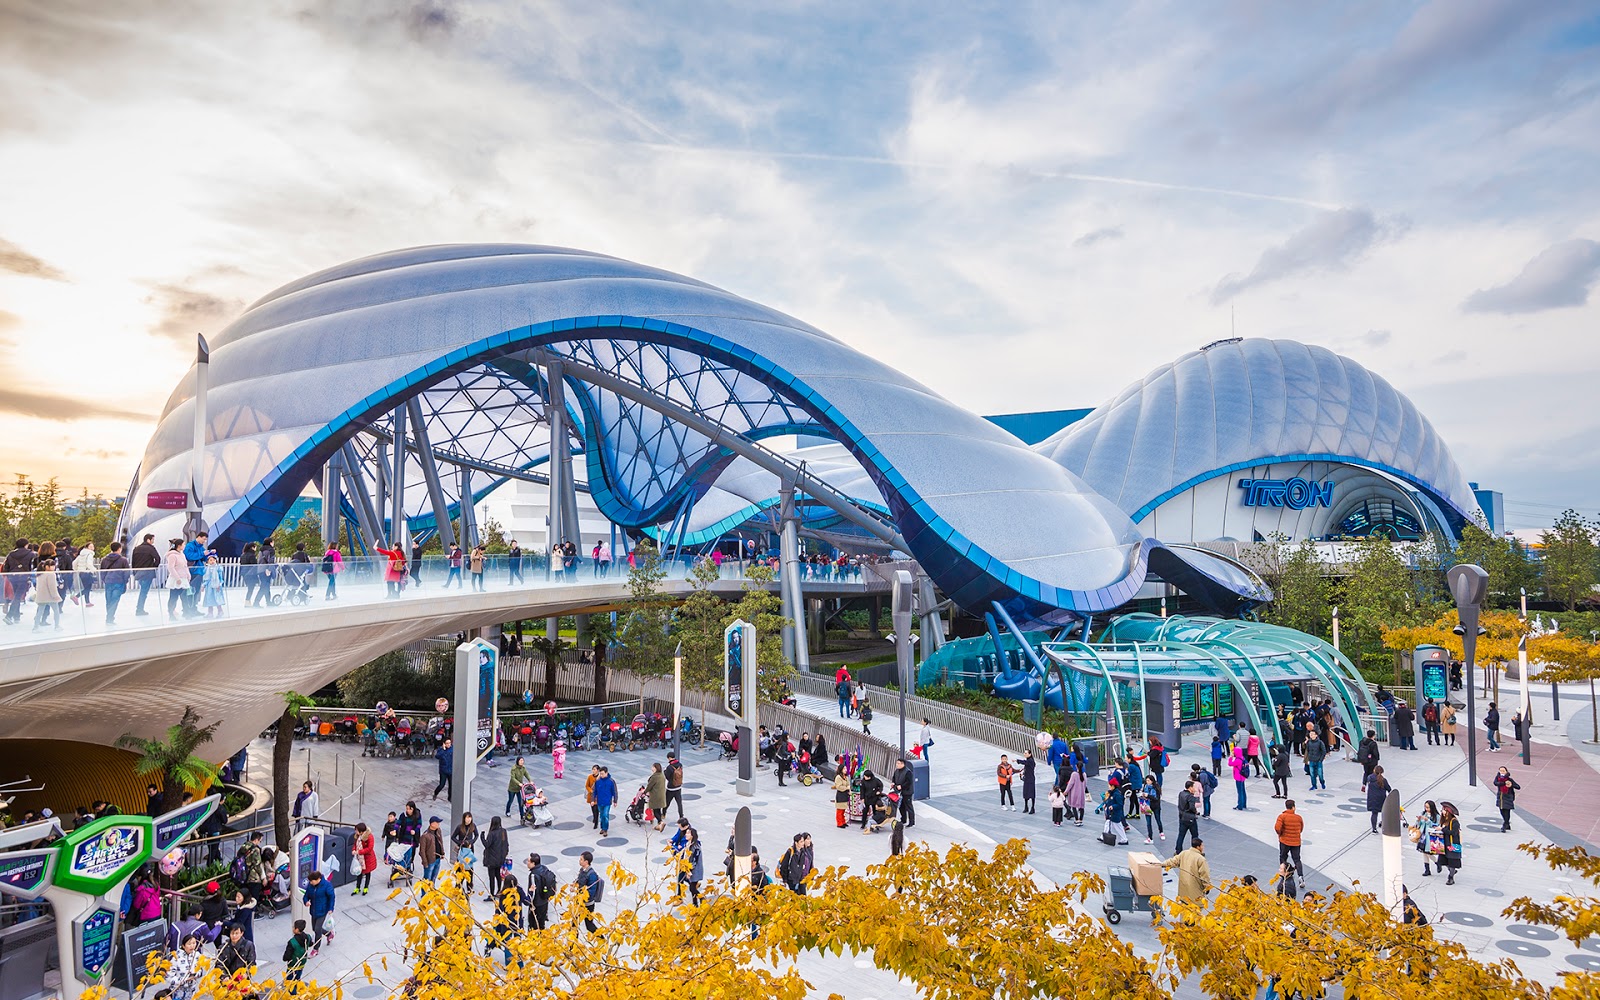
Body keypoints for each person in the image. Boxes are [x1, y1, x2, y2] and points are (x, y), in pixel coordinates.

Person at [99, 541, 131, 625]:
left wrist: (104, 579)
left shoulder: (104, 559)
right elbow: (127, 572)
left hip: (108, 582)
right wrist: (125, 581)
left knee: (109, 601)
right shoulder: (123, 560)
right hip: (119, 582)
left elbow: (102, 571)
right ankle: (109, 618)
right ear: (119, 549)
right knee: (114, 601)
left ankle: (109, 617)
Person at [165, 934, 204, 1000]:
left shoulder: (197, 955)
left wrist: (195, 975)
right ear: (183, 946)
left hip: (191, 991)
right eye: (189, 944)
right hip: (177, 992)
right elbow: (168, 977)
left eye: (194, 943)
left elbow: (201, 970)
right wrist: (184, 979)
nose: (192, 946)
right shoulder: (176, 958)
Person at [526, 852, 556, 930]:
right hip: (544, 901)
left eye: (528, 861)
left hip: (536, 904)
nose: (527, 863)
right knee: (541, 924)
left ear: (533, 863)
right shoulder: (544, 868)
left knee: (534, 925)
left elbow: (533, 891)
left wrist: (530, 902)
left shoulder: (533, 875)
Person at [305, 870, 335, 947]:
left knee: (317, 930)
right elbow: (306, 895)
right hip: (313, 910)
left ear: (318, 879)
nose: (310, 883)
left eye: (312, 881)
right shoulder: (311, 885)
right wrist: (306, 901)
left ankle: (316, 948)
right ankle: (329, 934)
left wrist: (331, 908)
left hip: (323, 910)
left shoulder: (327, 885)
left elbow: (331, 897)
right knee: (314, 928)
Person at [1274, 800, 1305, 877]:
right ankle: (1300, 876)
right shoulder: (1299, 818)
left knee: (1283, 857)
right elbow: (1301, 829)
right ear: (1293, 807)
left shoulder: (1282, 816)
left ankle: (1283, 873)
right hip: (1296, 842)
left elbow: (1277, 828)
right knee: (1297, 859)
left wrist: (1280, 834)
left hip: (1284, 841)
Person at [451, 812, 480, 893]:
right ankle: (458, 886)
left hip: (470, 849)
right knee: (460, 867)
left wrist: (471, 842)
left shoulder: (473, 826)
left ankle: (469, 886)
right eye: (467, 817)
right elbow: (453, 837)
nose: (468, 819)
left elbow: (476, 835)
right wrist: (460, 843)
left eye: (470, 817)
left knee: (469, 868)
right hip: (462, 850)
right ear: (464, 818)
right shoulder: (460, 827)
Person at [483, 815, 509, 897]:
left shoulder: (492, 833)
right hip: (500, 858)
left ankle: (492, 894)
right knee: (498, 875)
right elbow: (506, 844)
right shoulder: (503, 831)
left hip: (491, 859)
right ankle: (499, 890)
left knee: (491, 877)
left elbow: (487, 844)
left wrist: (482, 837)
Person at [575, 850, 602, 932]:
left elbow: (591, 891)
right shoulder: (582, 870)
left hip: (587, 904)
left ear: (586, 862)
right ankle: (573, 940)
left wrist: (582, 897)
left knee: (589, 926)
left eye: (581, 859)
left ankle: (601, 937)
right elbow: (579, 881)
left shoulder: (592, 874)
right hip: (579, 901)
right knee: (574, 924)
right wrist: (575, 885)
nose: (579, 861)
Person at [1414, 800, 1442, 878]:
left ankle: (1437, 863)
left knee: (1428, 852)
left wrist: (1428, 820)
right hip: (1422, 835)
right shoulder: (1423, 813)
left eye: (1428, 807)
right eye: (1425, 807)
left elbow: (1436, 825)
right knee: (1424, 852)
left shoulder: (1436, 816)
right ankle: (1427, 869)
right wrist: (1418, 820)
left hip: (1430, 836)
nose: (1426, 809)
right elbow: (1418, 824)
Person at [677, 827, 703, 905]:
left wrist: (689, 871)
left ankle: (701, 899)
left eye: (688, 833)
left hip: (694, 870)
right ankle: (695, 903)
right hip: (686, 868)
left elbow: (695, 860)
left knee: (692, 888)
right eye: (686, 833)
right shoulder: (688, 844)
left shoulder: (696, 846)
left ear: (692, 835)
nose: (686, 834)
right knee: (688, 885)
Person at [1439, 801, 1463, 885]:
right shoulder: (1444, 820)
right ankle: (1451, 871)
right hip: (1444, 844)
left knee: (1452, 862)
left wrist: (1442, 829)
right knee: (1444, 861)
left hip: (1452, 845)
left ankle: (1451, 877)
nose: (1442, 811)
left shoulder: (1454, 821)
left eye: (1443, 810)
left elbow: (1453, 832)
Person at [1493, 766, 1522, 832]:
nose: (1502, 772)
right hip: (1501, 797)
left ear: (1506, 771)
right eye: (1500, 771)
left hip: (1508, 797)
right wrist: (1503, 783)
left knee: (1507, 812)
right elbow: (1495, 783)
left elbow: (1518, 787)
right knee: (1501, 811)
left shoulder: (1509, 779)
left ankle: (1504, 825)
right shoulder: (1498, 778)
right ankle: (1507, 824)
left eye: (1503, 771)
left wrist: (1511, 785)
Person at [352, 821, 377, 895]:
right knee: (359, 873)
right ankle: (358, 887)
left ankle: (366, 887)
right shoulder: (357, 836)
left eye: (357, 830)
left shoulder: (369, 837)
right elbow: (355, 845)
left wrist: (359, 852)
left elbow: (369, 848)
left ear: (361, 831)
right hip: (359, 858)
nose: (355, 831)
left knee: (367, 873)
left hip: (367, 858)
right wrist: (354, 850)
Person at [1175, 779, 1201, 851]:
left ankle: (1178, 850)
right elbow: (1192, 807)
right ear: (1190, 787)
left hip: (1182, 817)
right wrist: (1195, 812)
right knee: (1195, 835)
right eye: (1193, 787)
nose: (1195, 789)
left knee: (1181, 835)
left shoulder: (1181, 793)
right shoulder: (1190, 796)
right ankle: (1195, 850)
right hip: (1190, 818)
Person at [593, 765, 618, 835]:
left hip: (607, 801)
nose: (601, 775)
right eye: (600, 774)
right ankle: (602, 827)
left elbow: (614, 791)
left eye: (602, 774)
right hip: (600, 801)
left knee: (605, 815)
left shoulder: (611, 781)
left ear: (606, 773)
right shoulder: (598, 781)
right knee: (601, 815)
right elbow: (594, 791)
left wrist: (615, 801)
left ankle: (605, 829)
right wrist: (593, 800)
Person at [1138, 775, 1164, 843]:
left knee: (1158, 819)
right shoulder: (1145, 787)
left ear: (1152, 781)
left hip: (1155, 806)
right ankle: (1150, 837)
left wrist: (1148, 796)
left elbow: (1156, 798)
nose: (1147, 782)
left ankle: (1161, 831)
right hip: (1147, 805)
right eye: (1146, 780)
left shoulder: (1156, 788)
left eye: (1148, 780)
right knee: (1148, 822)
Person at [419, 816, 446, 881]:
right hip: (430, 861)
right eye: (437, 822)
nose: (439, 824)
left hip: (438, 858)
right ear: (432, 824)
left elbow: (441, 842)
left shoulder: (438, 831)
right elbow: (422, 851)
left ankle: (433, 887)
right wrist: (425, 862)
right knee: (427, 879)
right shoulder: (425, 835)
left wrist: (442, 853)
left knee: (434, 878)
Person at [1366, 766, 1391, 834]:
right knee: (1384, 812)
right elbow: (1389, 789)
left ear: (1374, 770)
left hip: (1372, 798)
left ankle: (1374, 829)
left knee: (1374, 813)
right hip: (1381, 798)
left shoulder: (1369, 778)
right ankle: (1384, 826)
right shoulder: (1383, 780)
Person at [252, 537, 275, 608]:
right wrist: (269, 569)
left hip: (260, 569)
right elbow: (271, 560)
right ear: (270, 542)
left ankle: (268, 602)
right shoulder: (271, 550)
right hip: (266, 570)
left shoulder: (261, 550)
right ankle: (256, 602)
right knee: (264, 587)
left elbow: (259, 561)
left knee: (266, 586)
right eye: (272, 542)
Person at [858, 768, 884, 833]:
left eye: (866, 776)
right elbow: (862, 790)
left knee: (875, 811)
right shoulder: (863, 781)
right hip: (867, 798)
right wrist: (862, 798)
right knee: (865, 811)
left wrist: (879, 791)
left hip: (874, 797)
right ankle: (863, 823)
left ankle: (875, 824)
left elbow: (881, 785)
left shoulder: (876, 780)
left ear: (869, 777)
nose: (864, 777)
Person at [893, 757, 915, 827]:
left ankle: (911, 822)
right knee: (901, 806)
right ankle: (903, 819)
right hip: (899, 792)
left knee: (909, 807)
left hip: (907, 792)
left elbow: (909, 782)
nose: (897, 765)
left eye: (898, 763)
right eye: (897, 763)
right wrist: (893, 783)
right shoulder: (897, 771)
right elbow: (894, 778)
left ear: (903, 764)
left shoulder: (908, 772)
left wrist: (901, 786)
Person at [645, 762, 668, 831]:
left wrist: (645, 792)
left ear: (655, 768)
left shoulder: (654, 777)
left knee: (655, 811)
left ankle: (661, 822)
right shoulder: (661, 775)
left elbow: (649, 786)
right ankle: (659, 825)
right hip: (661, 795)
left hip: (655, 796)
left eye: (652, 767)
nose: (651, 768)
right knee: (658, 810)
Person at [664, 752, 685, 821]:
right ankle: (681, 816)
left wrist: (665, 771)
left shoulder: (669, 767)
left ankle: (663, 814)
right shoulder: (680, 765)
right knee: (679, 803)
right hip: (678, 787)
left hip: (671, 788)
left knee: (667, 802)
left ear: (669, 758)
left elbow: (667, 777)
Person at [1230, 743, 1249, 811]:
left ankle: (1240, 806)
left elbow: (1230, 764)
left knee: (1239, 792)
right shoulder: (1242, 758)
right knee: (1243, 791)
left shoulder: (1238, 760)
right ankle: (1244, 804)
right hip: (1243, 777)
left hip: (1238, 777)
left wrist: (1231, 757)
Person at [1020, 749, 1037, 815]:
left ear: (1030, 754)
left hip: (1031, 779)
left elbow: (1025, 762)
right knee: (1026, 793)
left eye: (1026, 753)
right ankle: (1026, 806)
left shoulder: (1030, 761)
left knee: (1031, 793)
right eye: (1024, 753)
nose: (1024, 754)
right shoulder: (1028, 760)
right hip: (1027, 778)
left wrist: (1017, 760)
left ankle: (1032, 807)